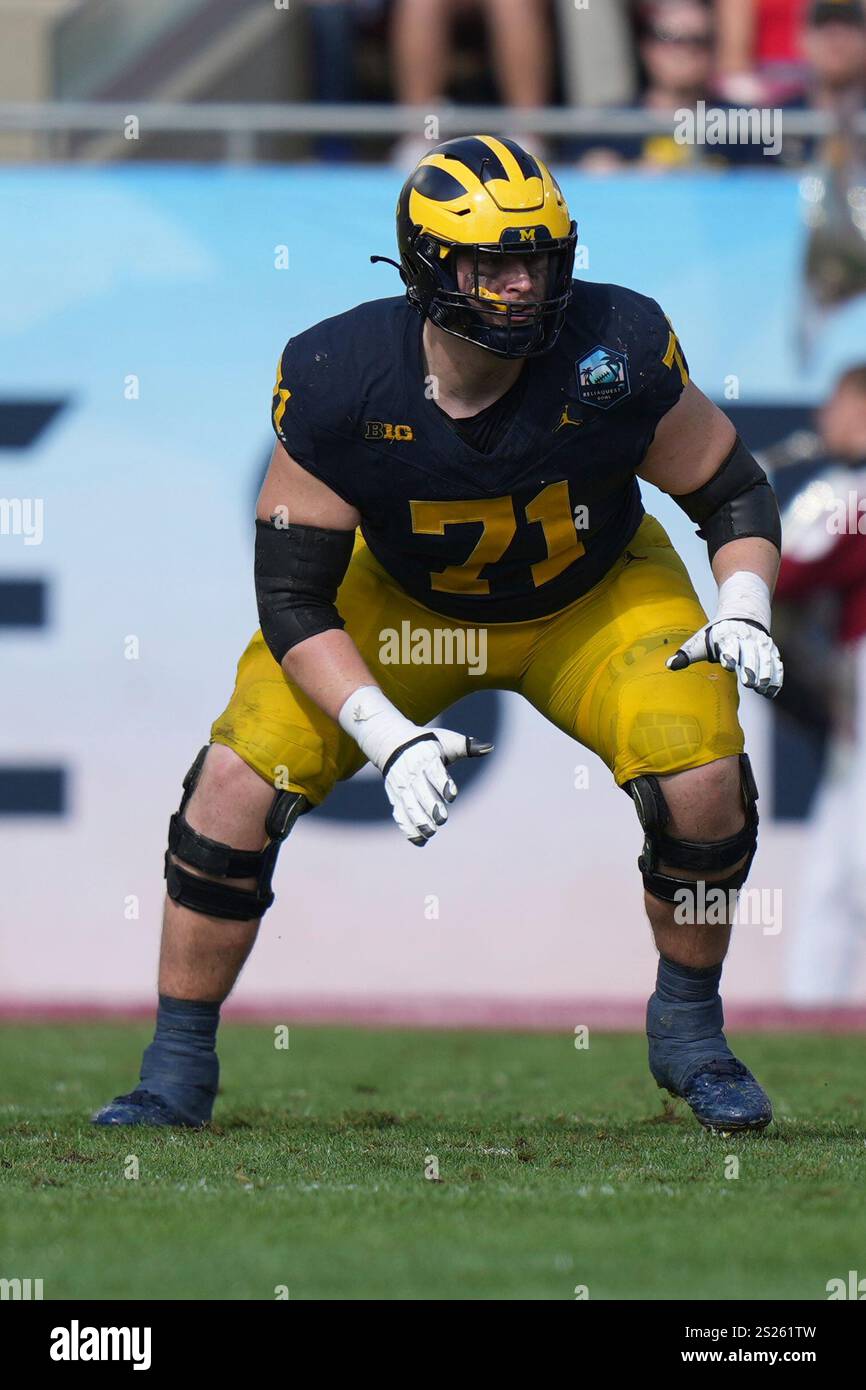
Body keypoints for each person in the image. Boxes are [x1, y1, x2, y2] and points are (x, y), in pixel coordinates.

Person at [92, 136, 783, 1134]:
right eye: (492, 263)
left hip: (590, 598)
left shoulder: (614, 346)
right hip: (404, 603)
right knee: (234, 782)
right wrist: (385, 731)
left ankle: (690, 1029)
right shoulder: (338, 377)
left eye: (537, 259)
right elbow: (292, 596)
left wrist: (744, 606)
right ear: (428, 266)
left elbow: (730, 490)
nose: (520, 285)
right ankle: (175, 1065)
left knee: (704, 777)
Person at [774, 365, 866, 1002]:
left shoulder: (847, 495)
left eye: (837, 404)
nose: (823, 419)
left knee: (854, 845)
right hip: (851, 673)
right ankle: (810, 1012)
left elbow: (779, 575)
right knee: (837, 850)